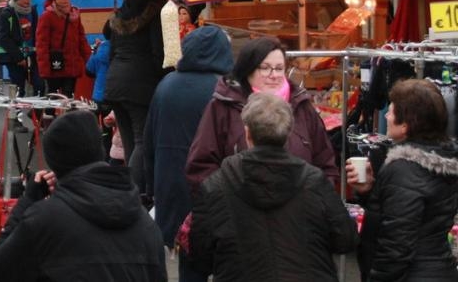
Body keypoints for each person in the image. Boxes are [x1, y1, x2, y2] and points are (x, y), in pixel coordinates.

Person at [190, 92, 358, 279]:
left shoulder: (216, 187)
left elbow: (199, 256)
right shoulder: (314, 182)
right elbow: (345, 239)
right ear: (288, 135)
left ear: (247, 133)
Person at [0, 110, 167, 281]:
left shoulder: (46, 220)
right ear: (99, 151)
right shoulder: (145, 223)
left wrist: (28, 201)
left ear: (56, 165)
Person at [187, 37, 339, 192]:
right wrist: (226, 202)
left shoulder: (302, 106)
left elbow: (326, 165)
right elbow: (201, 167)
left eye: (279, 68)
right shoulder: (223, 107)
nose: (273, 75)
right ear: (248, 70)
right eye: (265, 68)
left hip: (297, 212)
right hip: (240, 211)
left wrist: (314, 202)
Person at [143, 25, 233, 282]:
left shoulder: (166, 85)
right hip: (215, 192)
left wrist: (152, 189)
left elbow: (149, 142)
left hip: (171, 187)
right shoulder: (225, 89)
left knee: (188, 262)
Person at [347, 78, 458, 281]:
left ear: (406, 125)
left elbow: (396, 245)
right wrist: (370, 190)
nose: (387, 116)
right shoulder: (443, 160)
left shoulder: (404, 169)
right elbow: (411, 216)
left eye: (391, 111)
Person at [103, 0, 167, 194]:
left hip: (114, 83)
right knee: (141, 140)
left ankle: (129, 190)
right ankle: (135, 191)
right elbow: (159, 54)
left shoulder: (119, 18)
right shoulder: (154, 16)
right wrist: (166, 76)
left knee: (129, 140)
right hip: (139, 85)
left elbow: (111, 54)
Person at [36, 0, 92, 97]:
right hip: (55, 65)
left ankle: (64, 115)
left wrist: (89, 61)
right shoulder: (47, 16)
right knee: (53, 98)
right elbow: (42, 44)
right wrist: (44, 69)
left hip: (72, 65)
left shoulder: (75, 16)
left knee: (68, 97)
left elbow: (81, 39)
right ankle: (44, 114)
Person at [0, 0, 39, 95]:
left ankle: (36, 112)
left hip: (32, 55)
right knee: (18, 88)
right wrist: (18, 57)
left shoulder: (33, 12)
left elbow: (37, 33)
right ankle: (16, 111)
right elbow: (3, 38)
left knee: (39, 85)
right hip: (14, 58)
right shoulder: (7, 14)